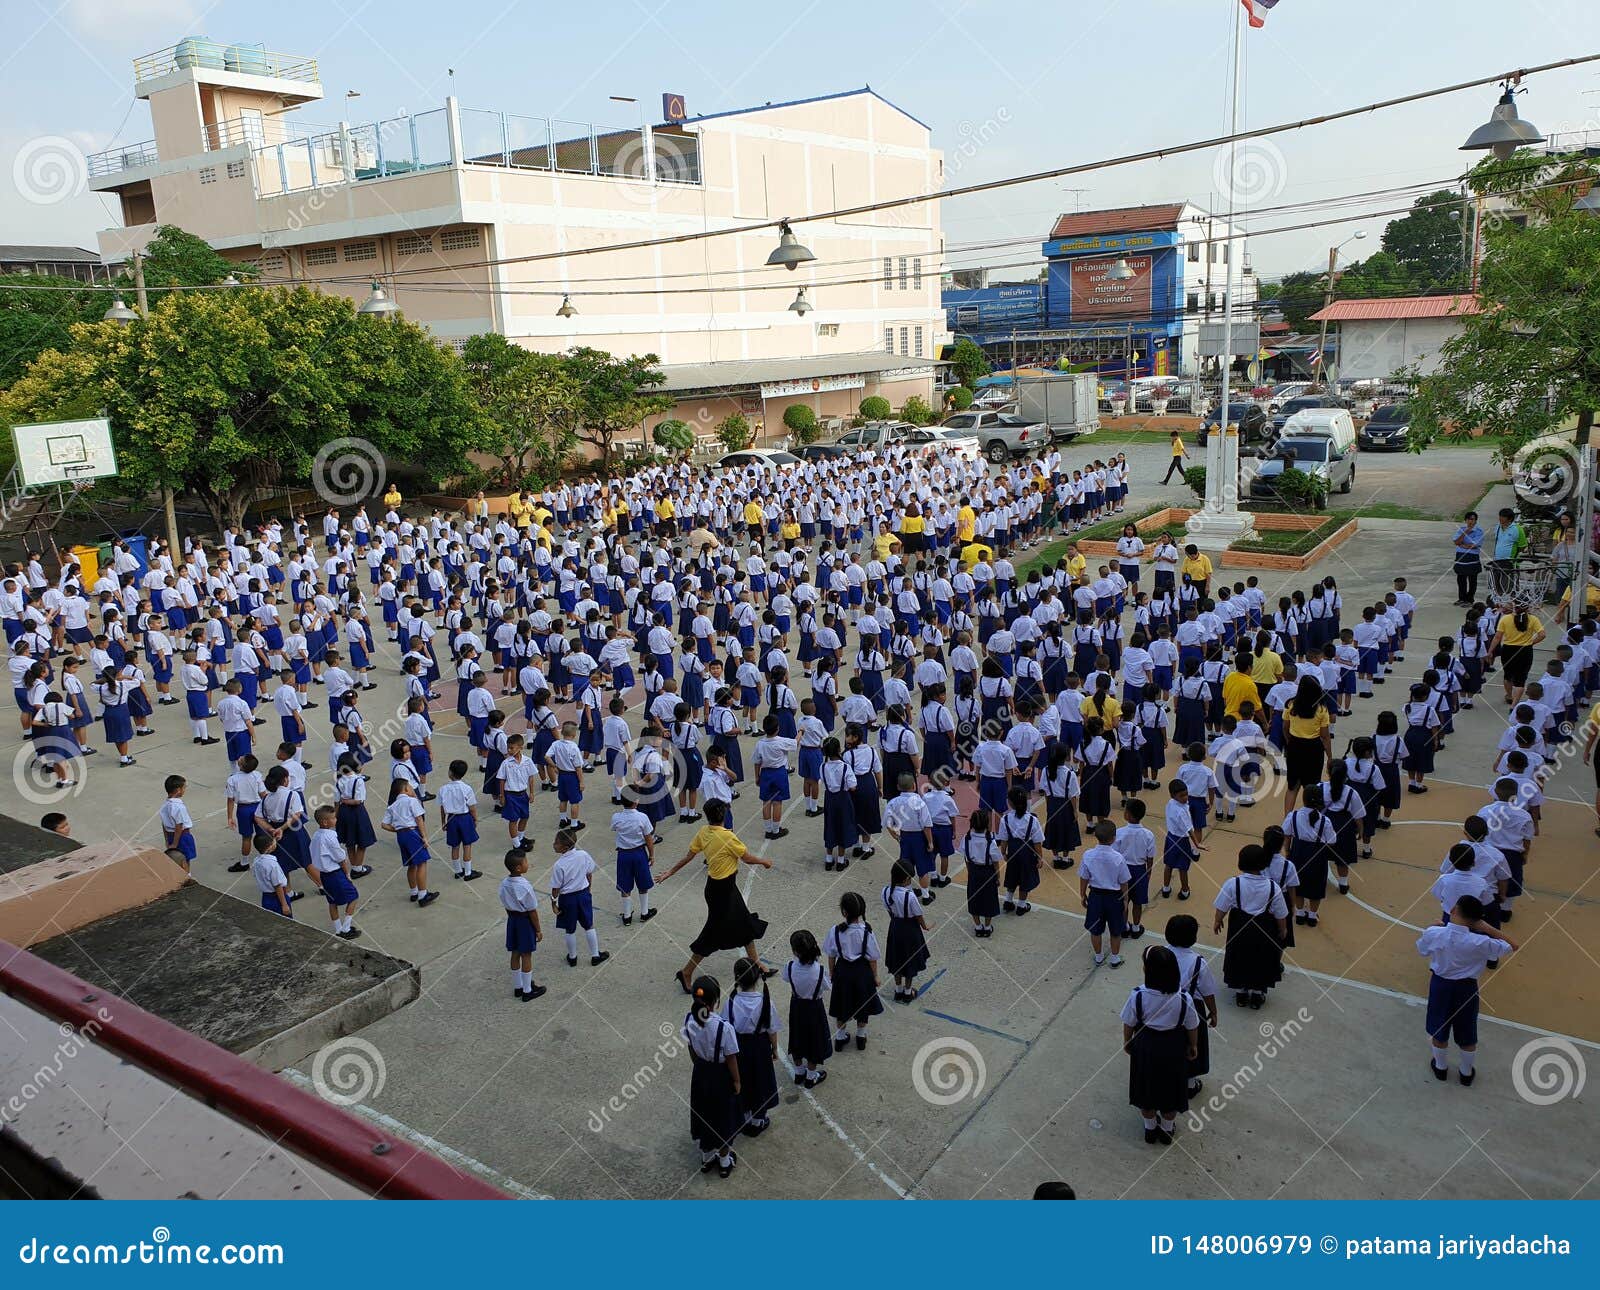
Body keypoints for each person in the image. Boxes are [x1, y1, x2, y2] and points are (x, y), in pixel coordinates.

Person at [659, 800, 774, 992]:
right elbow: (746, 858)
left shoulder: (704, 832)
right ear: (724, 815)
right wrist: (764, 862)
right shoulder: (728, 837)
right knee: (712, 934)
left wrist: (670, 872)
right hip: (723, 892)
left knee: (744, 922)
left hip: (718, 888)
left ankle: (756, 964)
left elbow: (689, 856)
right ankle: (686, 972)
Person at [1417, 896, 1517, 1085]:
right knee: (1467, 1031)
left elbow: (1422, 950)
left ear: (1454, 910)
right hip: (1466, 988)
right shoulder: (1480, 941)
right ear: (1476, 919)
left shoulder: (1435, 933)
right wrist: (1488, 928)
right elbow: (1513, 946)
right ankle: (1465, 1072)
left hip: (1440, 985)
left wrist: (1432, 928)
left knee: (1439, 1027)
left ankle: (1440, 1068)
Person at [1120, 944, 1200, 1146]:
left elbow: (1129, 1022)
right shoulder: (1183, 998)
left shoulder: (1138, 995)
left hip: (1146, 1044)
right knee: (1171, 1090)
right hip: (1173, 1046)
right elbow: (1192, 1025)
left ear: (1147, 970)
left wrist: (1127, 1041)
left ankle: (1149, 1127)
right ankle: (1166, 1128)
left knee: (1145, 1088)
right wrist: (1193, 1045)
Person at [1212, 844, 1289, 1008]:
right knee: (1261, 959)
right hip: (1264, 929)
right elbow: (1280, 914)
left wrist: (1218, 921)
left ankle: (1241, 992)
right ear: (1263, 863)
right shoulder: (1273, 887)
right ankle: (1257, 993)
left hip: (1239, 928)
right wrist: (1283, 930)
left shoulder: (1233, 883)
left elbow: (1222, 906)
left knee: (1239, 956)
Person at [684, 975, 741, 1178]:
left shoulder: (689, 1020)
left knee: (703, 1113)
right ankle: (725, 1161)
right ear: (715, 1001)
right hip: (720, 1076)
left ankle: (707, 1158)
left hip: (700, 1072)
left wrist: (698, 1065)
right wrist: (736, 1080)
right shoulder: (723, 1027)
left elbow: (690, 1047)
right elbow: (731, 1058)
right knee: (723, 1117)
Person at [824, 890, 883, 1051]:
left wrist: (832, 972)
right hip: (862, 973)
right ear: (862, 911)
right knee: (862, 1005)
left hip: (842, 971)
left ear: (844, 912)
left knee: (841, 1006)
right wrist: (875, 976)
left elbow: (831, 955)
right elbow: (872, 958)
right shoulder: (867, 931)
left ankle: (840, 1038)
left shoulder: (835, 931)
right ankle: (861, 1036)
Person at [549, 827, 609, 968]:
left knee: (570, 929)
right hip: (583, 895)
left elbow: (556, 887)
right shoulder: (583, 855)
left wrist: (553, 902)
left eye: (556, 843)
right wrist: (588, 889)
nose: (553, 844)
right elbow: (589, 872)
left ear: (564, 847)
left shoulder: (559, 865)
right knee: (589, 925)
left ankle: (572, 957)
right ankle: (595, 955)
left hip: (567, 899)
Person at [783, 930, 831, 1089]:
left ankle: (799, 1072)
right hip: (814, 1008)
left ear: (795, 951)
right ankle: (811, 1076)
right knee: (814, 1040)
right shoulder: (819, 970)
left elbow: (785, 978)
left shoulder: (790, 967)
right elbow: (827, 986)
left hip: (796, 1006)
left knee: (797, 1037)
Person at [500, 849, 547, 1001]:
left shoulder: (504, 884)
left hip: (512, 920)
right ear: (519, 868)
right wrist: (538, 930)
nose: (528, 863)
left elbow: (506, 904)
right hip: (524, 921)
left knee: (515, 953)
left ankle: (518, 986)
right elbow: (532, 910)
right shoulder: (524, 886)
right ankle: (527, 991)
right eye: (525, 862)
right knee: (526, 954)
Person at [1487, 606, 1546, 708]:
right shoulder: (1533, 619)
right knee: (1521, 679)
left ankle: (1509, 696)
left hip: (1508, 650)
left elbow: (1497, 637)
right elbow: (1542, 635)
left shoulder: (1505, 619)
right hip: (1525, 651)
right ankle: (1515, 703)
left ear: (1514, 607)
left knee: (1508, 675)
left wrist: (1490, 651)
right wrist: (1531, 642)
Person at [1452, 511, 1485, 605]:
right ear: (1466, 520)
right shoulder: (1461, 529)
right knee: (1461, 578)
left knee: (1472, 579)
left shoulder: (1479, 531)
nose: (1471, 521)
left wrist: (1463, 545)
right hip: (1461, 557)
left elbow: (1474, 545)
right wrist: (1466, 532)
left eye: (1473, 519)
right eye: (1469, 519)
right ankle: (1461, 598)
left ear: (1476, 521)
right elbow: (1456, 542)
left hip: (1472, 557)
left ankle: (1470, 599)